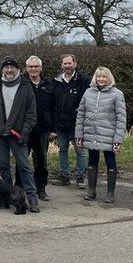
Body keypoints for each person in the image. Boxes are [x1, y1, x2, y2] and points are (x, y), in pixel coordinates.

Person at [0, 56, 40, 212]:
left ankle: (32, 198)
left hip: (17, 133)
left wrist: (25, 132)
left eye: (12, 67)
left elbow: (31, 115)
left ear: (17, 69)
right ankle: (9, 197)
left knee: (24, 166)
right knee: (3, 167)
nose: (8, 70)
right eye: (6, 67)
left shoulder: (25, 86)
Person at [76, 67, 127, 203]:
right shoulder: (88, 92)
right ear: (95, 78)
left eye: (104, 77)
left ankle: (110, 193)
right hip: (91, 134)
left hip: (109, 135)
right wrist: (79, 134)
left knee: (110, 162)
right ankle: (91, 190)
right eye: (99, 77)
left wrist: (118, 139)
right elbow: (81, 114)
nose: (101, 79)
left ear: (109, 78)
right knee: (92, 161)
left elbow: (121, 118)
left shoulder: (117, 94)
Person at [50, 54, 91, 189]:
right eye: (65, 64)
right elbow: (53, 102)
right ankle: (65, 176)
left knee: (80, 151)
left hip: (76, 123)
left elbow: (87, 101)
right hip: (60, 123)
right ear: (61, 65)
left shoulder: (84, 80)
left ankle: (80, 178)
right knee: (62, 149)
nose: (67, 66)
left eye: (70, 63)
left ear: (75, 64)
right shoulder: (56, 81)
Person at [24, 56, 55, 201]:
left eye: (36, 66)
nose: (33, 69)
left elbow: (54, 107)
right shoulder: (22, 84)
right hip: (25, 129)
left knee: (41, 161)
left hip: (43, 128)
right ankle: (20, 187)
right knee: (22, 160)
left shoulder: (49, 85)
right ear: (26, 68)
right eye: (31, 67)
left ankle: (41, 189)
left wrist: (53, 129)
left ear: (41, 68)